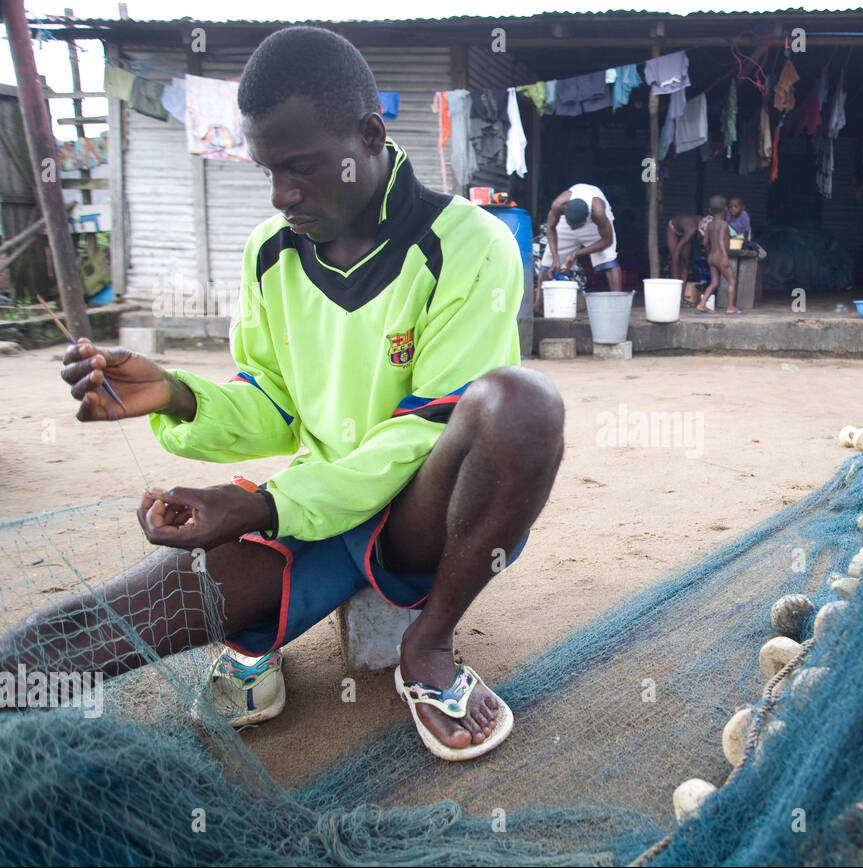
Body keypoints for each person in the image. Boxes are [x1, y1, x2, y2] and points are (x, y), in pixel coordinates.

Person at [4, 27, 565, 760]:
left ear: (368, 136)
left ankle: (428, 645)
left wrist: (265, 506)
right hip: (316, 509)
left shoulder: (469, 244)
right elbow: (272, 404)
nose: (282, 195)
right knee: (87, 630)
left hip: (422, 514)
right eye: (268, 169)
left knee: (523, 402)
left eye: (300, 168)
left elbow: (428, 429)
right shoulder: (270, 251)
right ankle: (253, 632)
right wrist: (174, 396)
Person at [534, 183, 620, 313]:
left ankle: (617, 304)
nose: (573, 229)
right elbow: (551, 228)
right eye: (571, 225)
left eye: (576, 226)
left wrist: (577, 253)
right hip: (568, 219)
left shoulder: (598, 213)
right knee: (548, 261)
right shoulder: (558, 206)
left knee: (608, 258)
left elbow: (607, 241)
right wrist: (556, 259)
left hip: (594, 226)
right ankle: (538, 306)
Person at [697, 194, 740, 314]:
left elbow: (705, 242)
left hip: (711, 257)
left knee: (714, 282)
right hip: (721, 257)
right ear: (726, 208)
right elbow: (721, 241)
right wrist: (725, 257)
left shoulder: (709, 225)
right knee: (731, 280)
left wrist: (709, 252)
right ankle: (731, 307)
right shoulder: (724, 224)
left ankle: (701, 304)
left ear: (710, 210)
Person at [665, 213, 703, 285]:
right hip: (673, 229)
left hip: (685, 231)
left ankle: (681, 294)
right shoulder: (692, 230)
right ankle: (675, 288)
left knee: (685, 263)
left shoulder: (708, 221)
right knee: (675, 258)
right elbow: (676, 254)